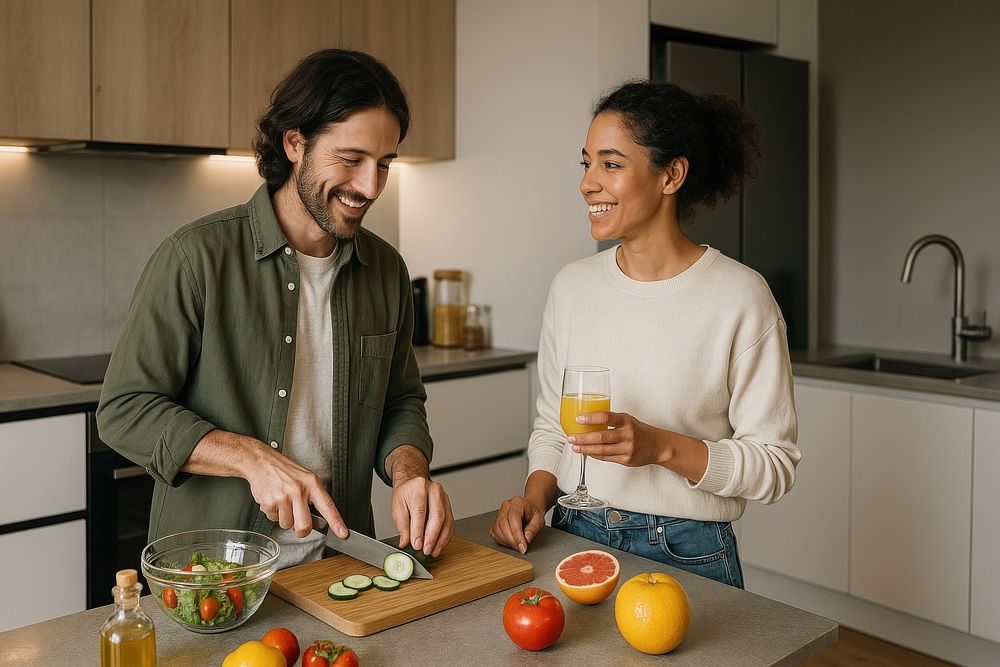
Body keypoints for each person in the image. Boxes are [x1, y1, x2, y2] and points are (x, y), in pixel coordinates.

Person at [97, 49, 453, 569]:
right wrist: (249, 458)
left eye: (384, 165)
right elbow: (124, 410)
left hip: (342, 563)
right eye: (350, 159)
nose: (370, 186)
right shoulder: (195, 258)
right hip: (215, 574)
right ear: (294, 142)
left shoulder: (387, 270)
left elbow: (399, 402)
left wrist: (409, 473)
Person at [491, 80, 799, 588]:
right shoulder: (572, 287)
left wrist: (661, 447)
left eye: (611, 164)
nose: (589, 182)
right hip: (574, 532)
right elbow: (553, 428)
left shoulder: (740, 296)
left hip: (689, 549)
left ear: (671, 175)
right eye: (585, 163)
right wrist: (534, 498)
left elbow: (775, 466)